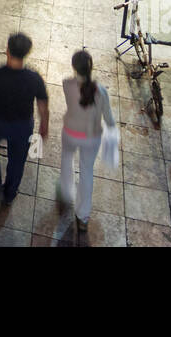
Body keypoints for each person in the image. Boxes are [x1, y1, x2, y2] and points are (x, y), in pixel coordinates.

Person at [0, 33, 49, 210]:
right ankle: (10, 193)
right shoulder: (34, 78)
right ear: (27, 53)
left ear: (7, 50)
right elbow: (43, 104)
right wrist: (44, 125)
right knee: (17, 160)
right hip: (22, 126)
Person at [59, 49, 118, 230]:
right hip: (91, 138)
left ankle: (66, 194)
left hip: (70, 132)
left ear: (74, 67)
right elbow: (109, 119)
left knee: (67, 161)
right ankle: (83, 215)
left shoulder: (66, 84)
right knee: (86, 172)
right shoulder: (100, 91)